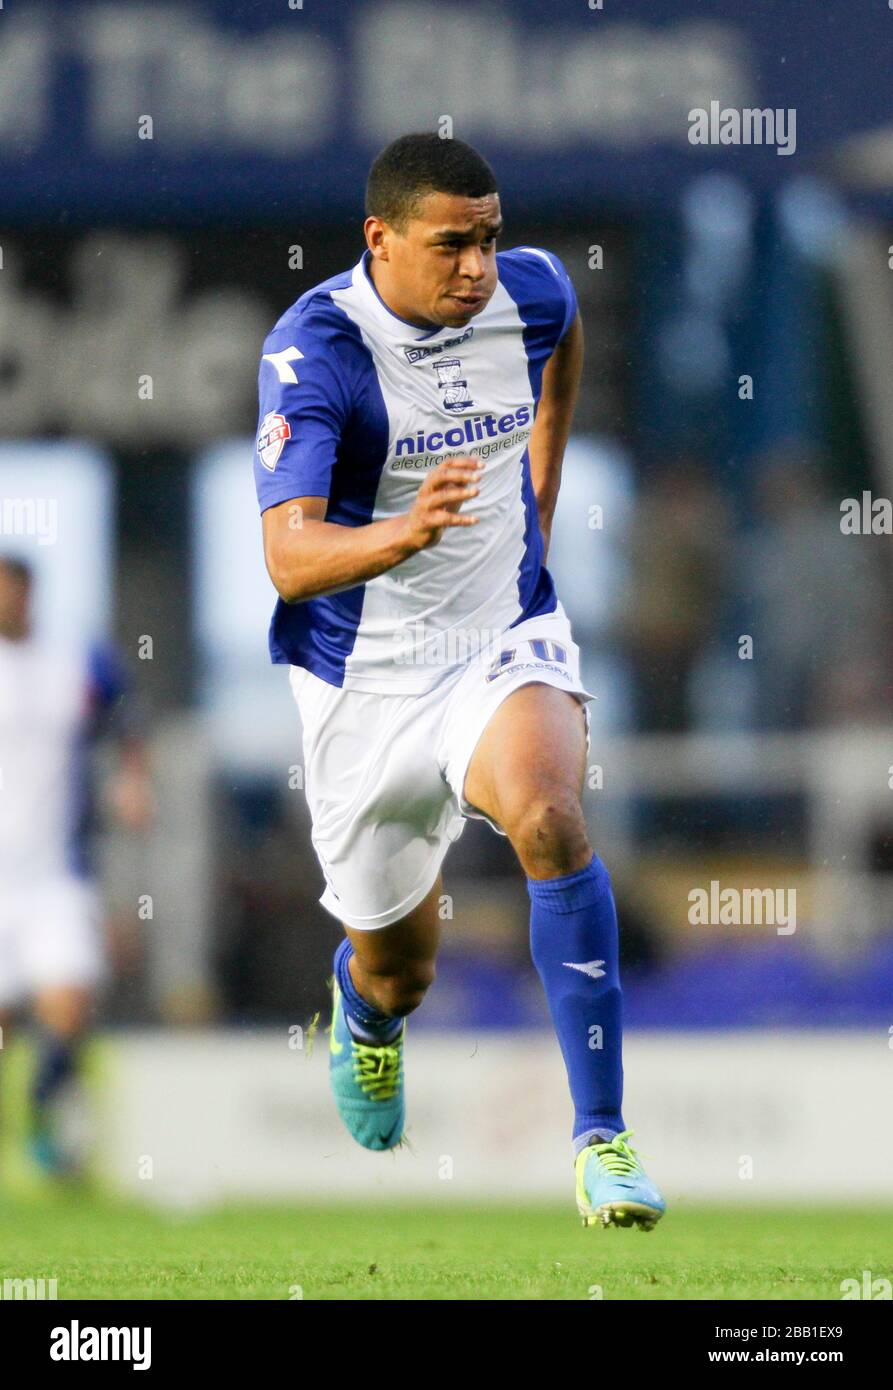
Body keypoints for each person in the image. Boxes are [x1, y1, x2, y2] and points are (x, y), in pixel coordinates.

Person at [253, 134, 664, 1229]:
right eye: (451, 244)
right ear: (378, 240)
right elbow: (288, 557)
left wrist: (540, 476)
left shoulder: (526, 291)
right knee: (402, 972)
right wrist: (402, 533)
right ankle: (363, 1012)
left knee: (549, 815)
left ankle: (602, 1139)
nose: (478, 266)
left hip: (499, 637)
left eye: (487, 237)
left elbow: (563, 331)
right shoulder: (315, 352)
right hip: (363, 685)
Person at [0, 556, 152, 1176]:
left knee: (68, 1002)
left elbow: (128, 719)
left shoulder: (74, 661)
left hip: (57, 872)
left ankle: (45, 1108)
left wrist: (132, 778)